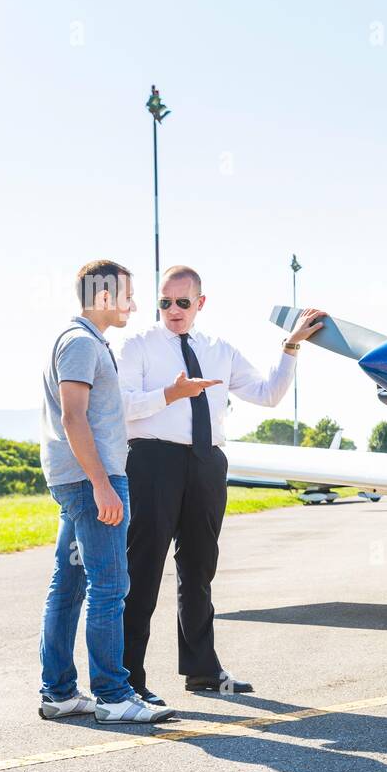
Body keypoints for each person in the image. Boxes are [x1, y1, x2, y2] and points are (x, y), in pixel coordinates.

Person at [118, 264, 325, 703]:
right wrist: (170, 395)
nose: (173, 310)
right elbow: (120, 408)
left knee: (199, 567)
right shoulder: (137, 345)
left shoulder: (220, 349)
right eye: (165, 302)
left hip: (206, 461)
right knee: (143, 570)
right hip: (153, 459)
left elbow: (268, 394)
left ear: (201, 303)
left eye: (182, 302)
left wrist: (290, 347)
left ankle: (202, 669)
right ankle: (128, 678)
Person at [38, 259, 176, 724]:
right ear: (103, 297)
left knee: (71, 584)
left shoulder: (83, 342)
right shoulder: (80, 344)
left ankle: (58, 694)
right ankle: (114, 696)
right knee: (110, 586)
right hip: (90, 479)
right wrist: (102, 484)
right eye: (127, 296)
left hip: (78, 478)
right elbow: (73, 417)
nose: (133, 305)